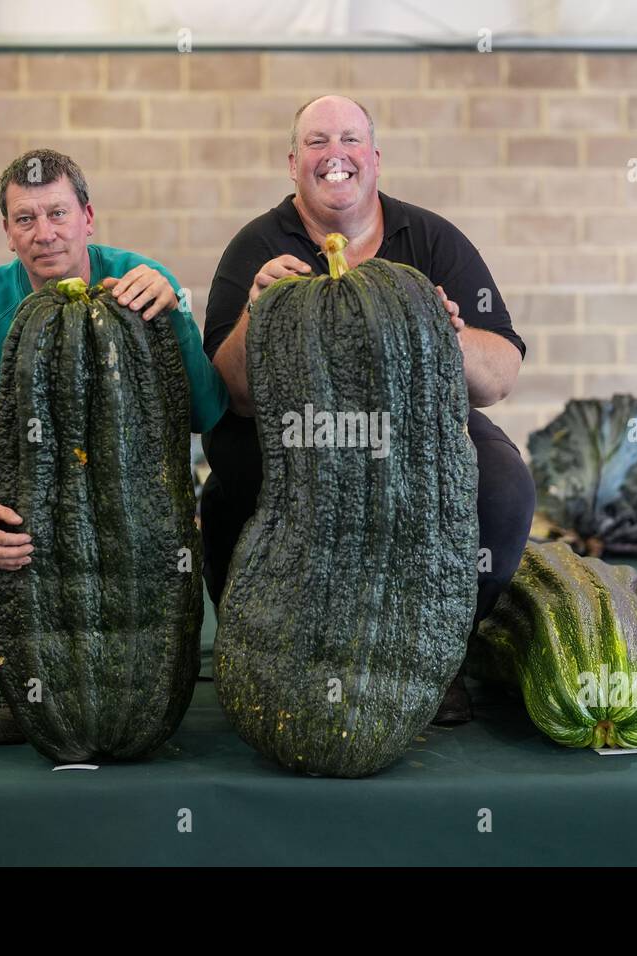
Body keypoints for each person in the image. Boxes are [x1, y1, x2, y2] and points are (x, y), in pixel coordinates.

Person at [200, 95, 535, 724]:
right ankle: (265, 652)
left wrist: (440, 334)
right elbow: (232, 393)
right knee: (228, 489)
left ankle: (438, 654)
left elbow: (500, 377)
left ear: (374, 159)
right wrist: (255, 309)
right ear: (293, 162)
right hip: (298, 437)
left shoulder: (430, 237)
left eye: (350, 140)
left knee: (502, 487)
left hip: (417, 431)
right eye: (318, 142)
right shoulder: (257, 245)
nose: (336, 156)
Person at [0, 148, 228, 744]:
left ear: (87, 216)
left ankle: (141, 700)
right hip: (35, 490)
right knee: (24, 566)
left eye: (57, 213)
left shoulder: (140, 282)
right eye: (25, 218)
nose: (44, 233)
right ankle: (30, 694)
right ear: (8, 232)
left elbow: (208, 409)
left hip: (137, 490)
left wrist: (174, 313)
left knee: (140, 591)